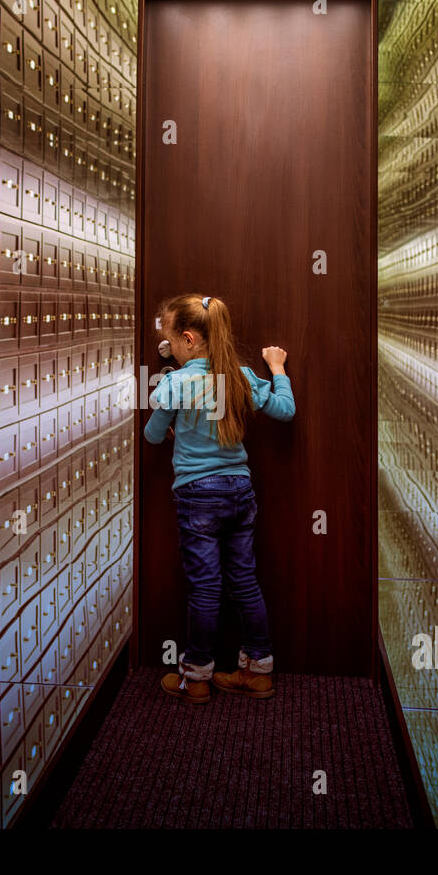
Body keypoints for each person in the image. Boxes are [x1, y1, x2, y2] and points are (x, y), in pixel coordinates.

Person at [143, 293, 296, 704]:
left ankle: (196, 678)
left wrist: (173, 424)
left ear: (189, 340)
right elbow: (285, 409)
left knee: (205, 589)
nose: (169, 348)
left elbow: (152, 435)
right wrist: (278, 368)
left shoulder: (175, 382)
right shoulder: (241, 375)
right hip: (239, 491)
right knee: (245, 581)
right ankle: (258, 671)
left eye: (171, 341)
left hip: (197, 497)